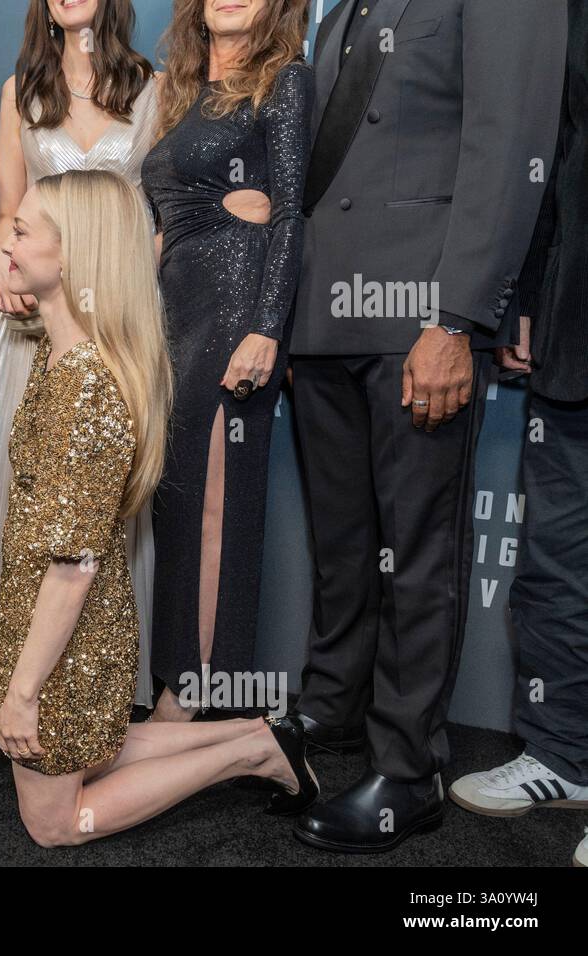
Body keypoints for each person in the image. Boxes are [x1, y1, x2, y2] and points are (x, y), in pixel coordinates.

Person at [288, 0, 567, 854]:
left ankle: (408, 771)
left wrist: (456, 318)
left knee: (416, 556)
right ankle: (329, 716)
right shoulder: (342, 8)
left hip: (420, 321)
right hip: (325, 315)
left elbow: (509, 140)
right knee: (344, 547)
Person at [0, 169, 317, 846]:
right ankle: (253, 730)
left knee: (52, 823)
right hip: (61, 624)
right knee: (93, 751)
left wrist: (24, 690)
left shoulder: (86, 386)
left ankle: (247, 755)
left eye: (22, 231)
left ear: (73, 252)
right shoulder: (61, 350)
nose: (6, 242)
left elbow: (73, 566)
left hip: (68, 637)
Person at [0, 0, 159, 697]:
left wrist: (122, 282)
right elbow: (5, 210)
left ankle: (93, 678)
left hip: (115, 323)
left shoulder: (152, 87)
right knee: (24, 487)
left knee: (96, 502)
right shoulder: (24, 89)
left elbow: (157, 217)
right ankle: (9, 670)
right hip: (30, 323)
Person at [141, 0, 312, 720]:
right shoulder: (182, 90)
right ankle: (176, 684)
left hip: (238, 317)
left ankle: (203, 703)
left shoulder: (285, 79)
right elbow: (167, 219)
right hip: (177, 320)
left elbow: (290, 207)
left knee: (217, 512)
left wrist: (269, 326)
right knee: (177, 511)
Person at [449, 3, 588, 869]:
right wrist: (525, 295)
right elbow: (548, 155)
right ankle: (566, 757)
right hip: (571, 333)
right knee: (556, 560)